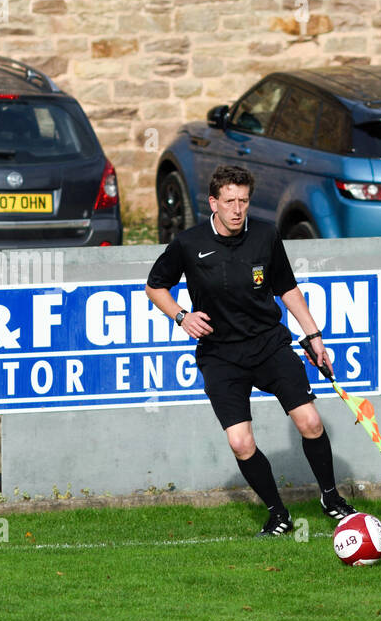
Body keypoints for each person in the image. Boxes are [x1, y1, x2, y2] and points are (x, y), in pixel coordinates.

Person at [144, 165, 356, 536]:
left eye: (243, 201)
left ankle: (330, 497)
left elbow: (287, 289)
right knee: (241, 443)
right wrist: (181, 316)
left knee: (310, 422)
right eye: (229, 201)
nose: (237, 209)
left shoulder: (266, 235)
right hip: (220, 355)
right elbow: (155, 286)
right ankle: (279, 514)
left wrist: (314, 336)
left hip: (269, 345)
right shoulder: (189, 243)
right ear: (214, 202)